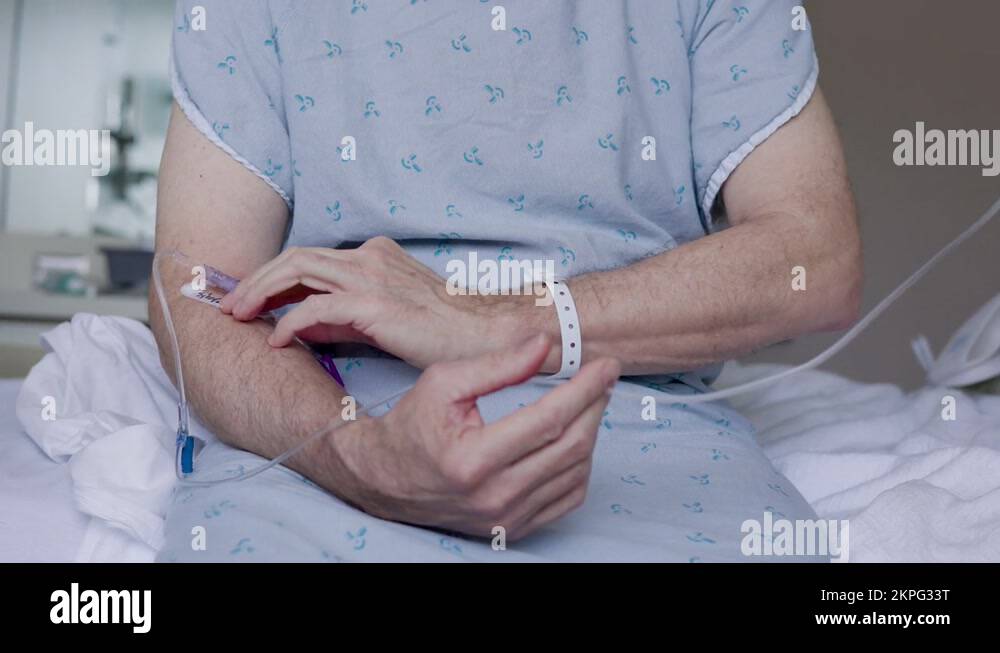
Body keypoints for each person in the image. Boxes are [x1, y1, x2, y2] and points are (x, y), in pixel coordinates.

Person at [152, 0, 861, 561]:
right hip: (330, 429)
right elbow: (197, 293)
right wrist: (360, 457)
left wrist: (493, 318)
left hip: (641, 429)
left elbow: (817, 260)